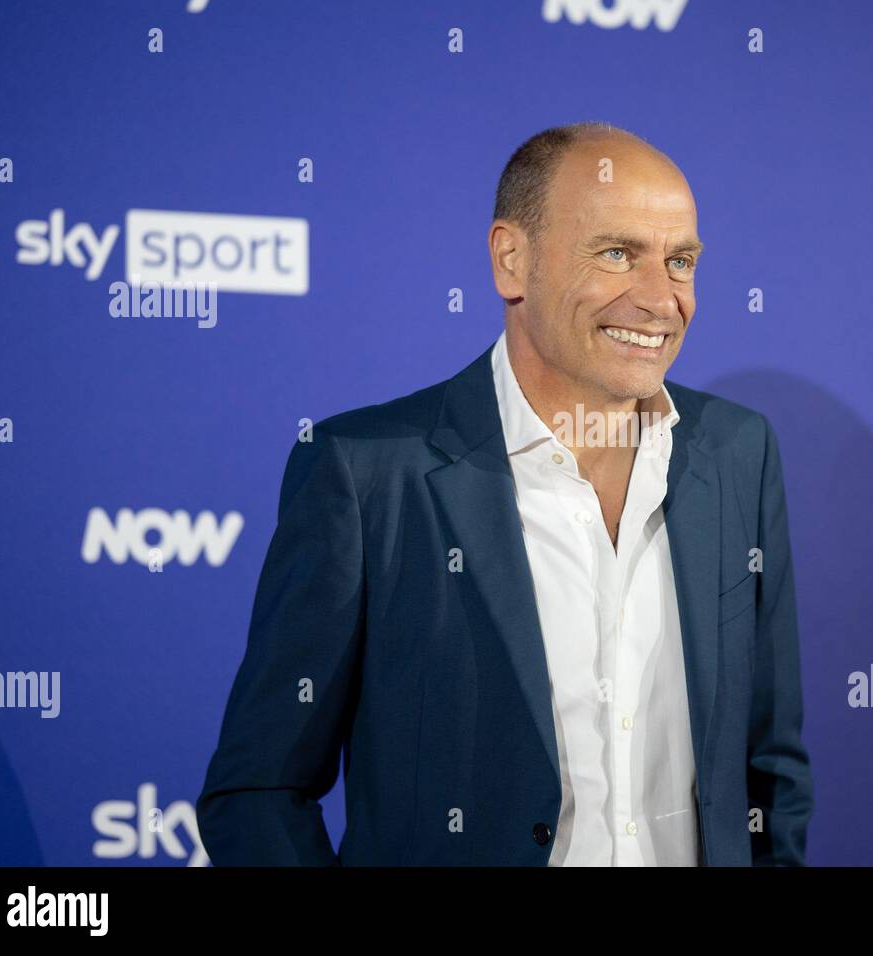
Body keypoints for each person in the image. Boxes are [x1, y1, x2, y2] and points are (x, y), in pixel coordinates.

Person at [196, 122, 813, 865]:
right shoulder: (366, 473)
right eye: (618, 253)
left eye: (680, 262)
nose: (661, 299)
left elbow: (769, 770)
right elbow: (260, 790)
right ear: (511, 260)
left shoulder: (740, 453)